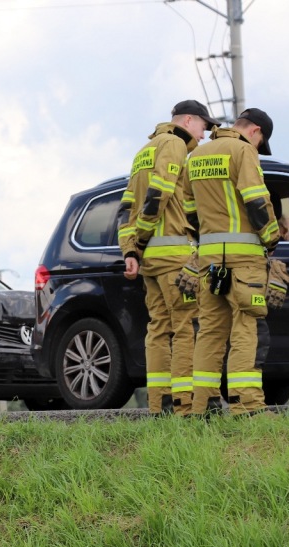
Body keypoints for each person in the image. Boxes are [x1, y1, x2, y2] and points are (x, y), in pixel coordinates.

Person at [118, 99, 218, 415]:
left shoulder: (143, 152)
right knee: (186, 326)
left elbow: (125, 208)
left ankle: (159, 403)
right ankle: (184, 404)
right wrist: (144, 236)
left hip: (149, 261)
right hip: (174, 257)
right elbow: (157, 194)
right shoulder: (174, 144)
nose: (203, 135)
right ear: (188, 120)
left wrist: (131, 250)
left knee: (158, 329)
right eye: (203, 126)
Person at [184, 108, 280, 416]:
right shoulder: (243, 151)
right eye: (259, 141)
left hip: (209, 260)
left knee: (210, 330)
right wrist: (272, 237)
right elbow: (255, 199)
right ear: (255, 131)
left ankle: (203, 405)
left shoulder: (197, 156)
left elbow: (188, 208)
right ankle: (246, 404)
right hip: (244, 259)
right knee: (245, 326)